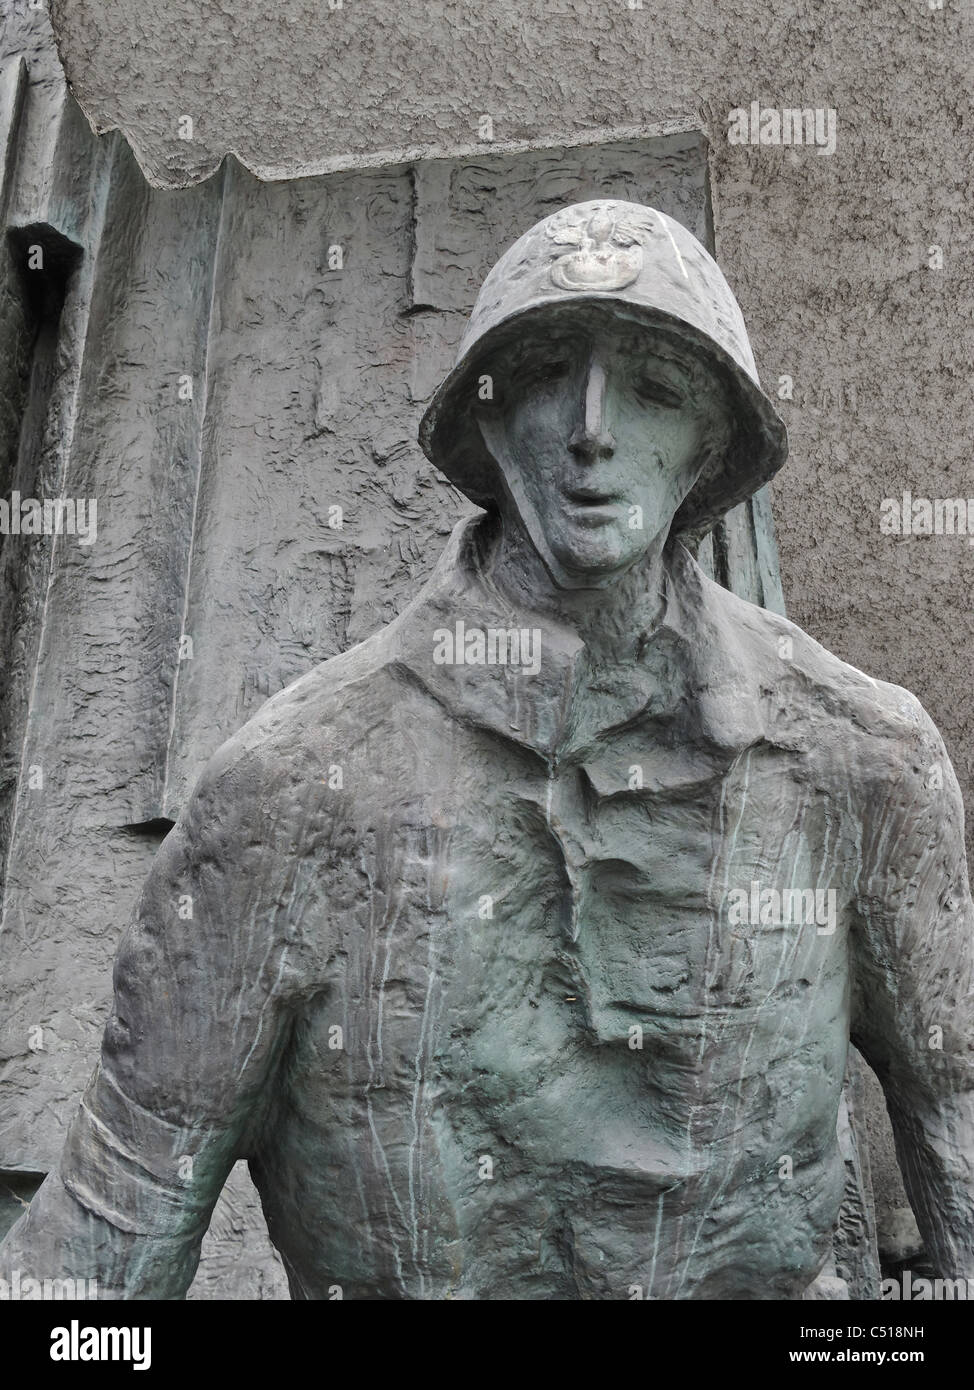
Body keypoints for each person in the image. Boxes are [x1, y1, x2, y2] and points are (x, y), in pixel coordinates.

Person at [2, 200, 972, 1299]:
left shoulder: (862, 762)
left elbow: (957, 1118)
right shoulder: (285, 799)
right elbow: (102, 1247)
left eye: (653, 383)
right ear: (488, 418)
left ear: (712, 437)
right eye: (548, 372)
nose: (592, 427)